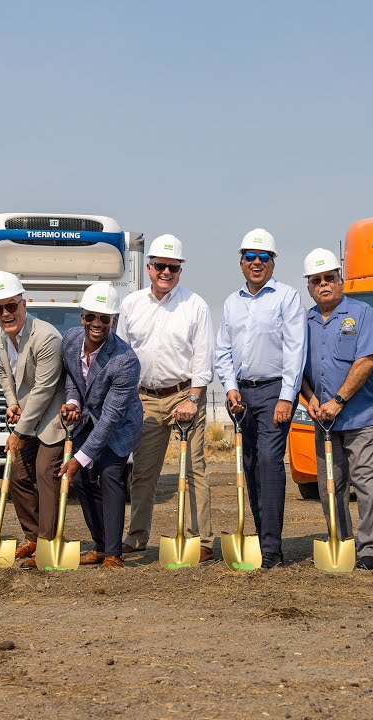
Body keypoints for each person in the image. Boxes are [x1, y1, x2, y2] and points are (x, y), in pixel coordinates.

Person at [116, 235, 215, 561]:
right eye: (160, 266)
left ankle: (199, 541)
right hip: (143, 398)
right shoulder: (131, 305)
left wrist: (193, 398)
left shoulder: (194, 305)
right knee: (144, 471)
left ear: (180, 270)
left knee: (193, 468)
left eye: (173, 267)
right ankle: (137, 537)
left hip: (184, 394)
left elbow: (203, 356)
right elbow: (121, 356)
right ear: (149, 268)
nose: (166, 272)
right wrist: (132, 395)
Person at [215, 228, 306, 568]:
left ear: (273, 261)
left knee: (269, 461)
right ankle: (260, 534)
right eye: (250, 257)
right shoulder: (231, 302)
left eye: (263, 257)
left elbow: (296, 349)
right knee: (250, 463)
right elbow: (223, 350)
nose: (256, 263)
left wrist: (286, 397)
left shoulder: (286, 297)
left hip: (274, 392)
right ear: (241, 262)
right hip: (242, 393)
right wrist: (229, 387)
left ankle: (272, 548)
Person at [299, 248, 373, 570]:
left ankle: (371, 552)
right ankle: (341, 541)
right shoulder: (304, 322)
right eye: (316, 280)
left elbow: (366, 361)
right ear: (309, 285)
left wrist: (338, 401)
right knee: (329, 487)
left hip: (362, 418)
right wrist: (309, 398)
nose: (324, 285)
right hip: (323, 422)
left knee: (368, 486)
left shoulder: (361, 313)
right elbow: (299, 370)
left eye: (329, 278)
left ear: (340, 280)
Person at [59, 283, 143, 569]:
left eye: (104, 318)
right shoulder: (69, 341)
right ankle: (99, 543)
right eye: (91, 317)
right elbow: (72, 377)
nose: (97, 324)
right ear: (82, 317)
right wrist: (73, 402)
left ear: (114, 321)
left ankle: (113, 553)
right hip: (88, 417)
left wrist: (80, 459)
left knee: (109, 474)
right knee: (81, 480)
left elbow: (110, 419)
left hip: (119, 425)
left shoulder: (125, 360)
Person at [0, 271, 65, 566]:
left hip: (52, 419)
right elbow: (6, 373)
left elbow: (44, 390)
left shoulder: (46, 337)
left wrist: (18, 431)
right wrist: (12, 402)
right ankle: (32, 536)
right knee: (18, 474)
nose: (5, 313)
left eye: (11, 306)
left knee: (45, 472)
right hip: (27, 416)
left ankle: (48, 541)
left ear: (23, 303)